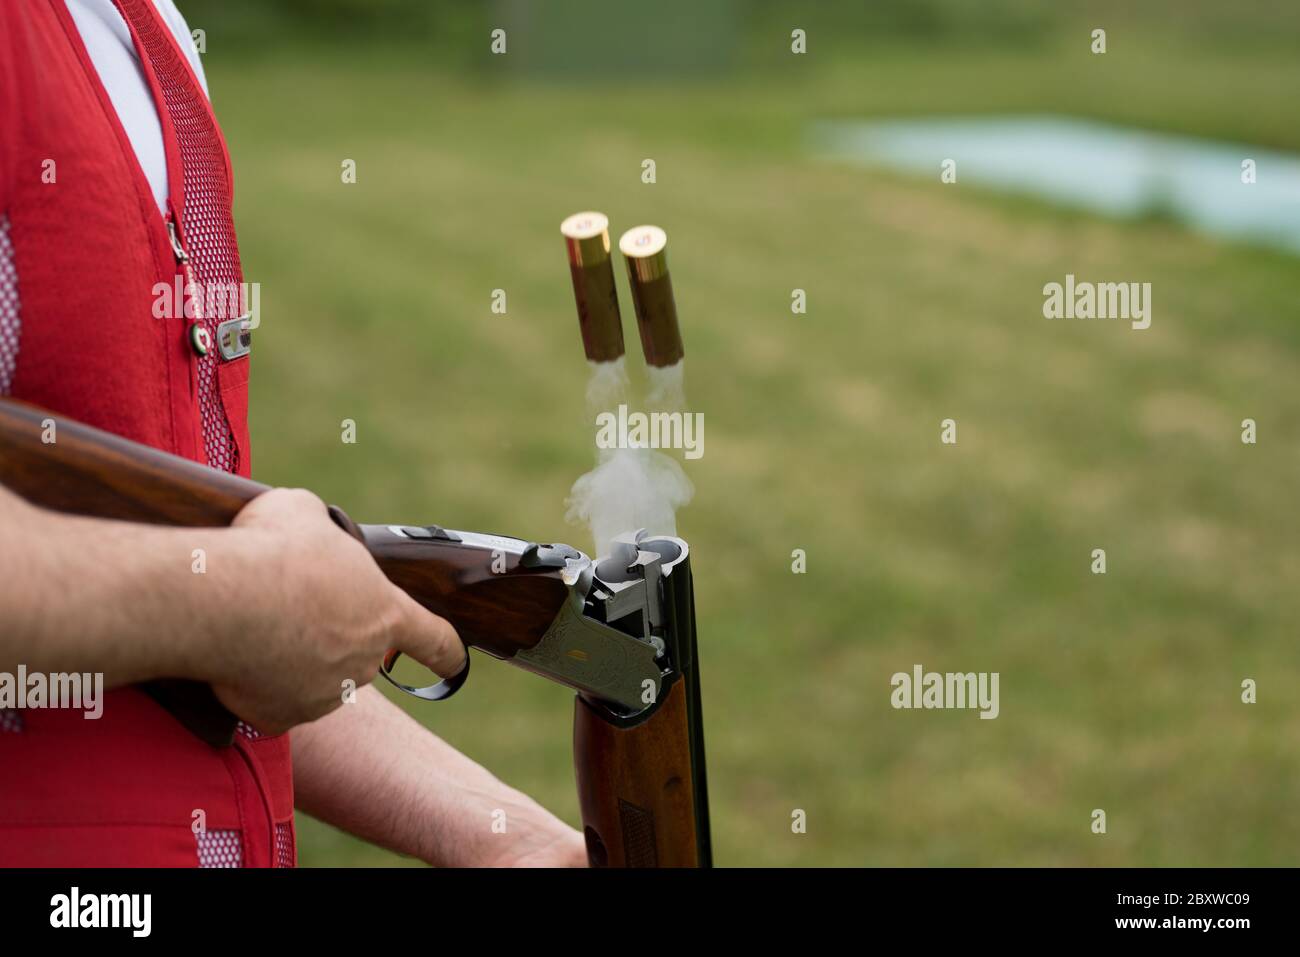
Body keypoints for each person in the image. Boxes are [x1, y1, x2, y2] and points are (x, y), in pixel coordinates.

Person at [0, 0, 586, 867]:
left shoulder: (147, 28)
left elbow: (208, 630)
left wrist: (515, 840)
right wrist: (235, 600)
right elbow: (228, 606)